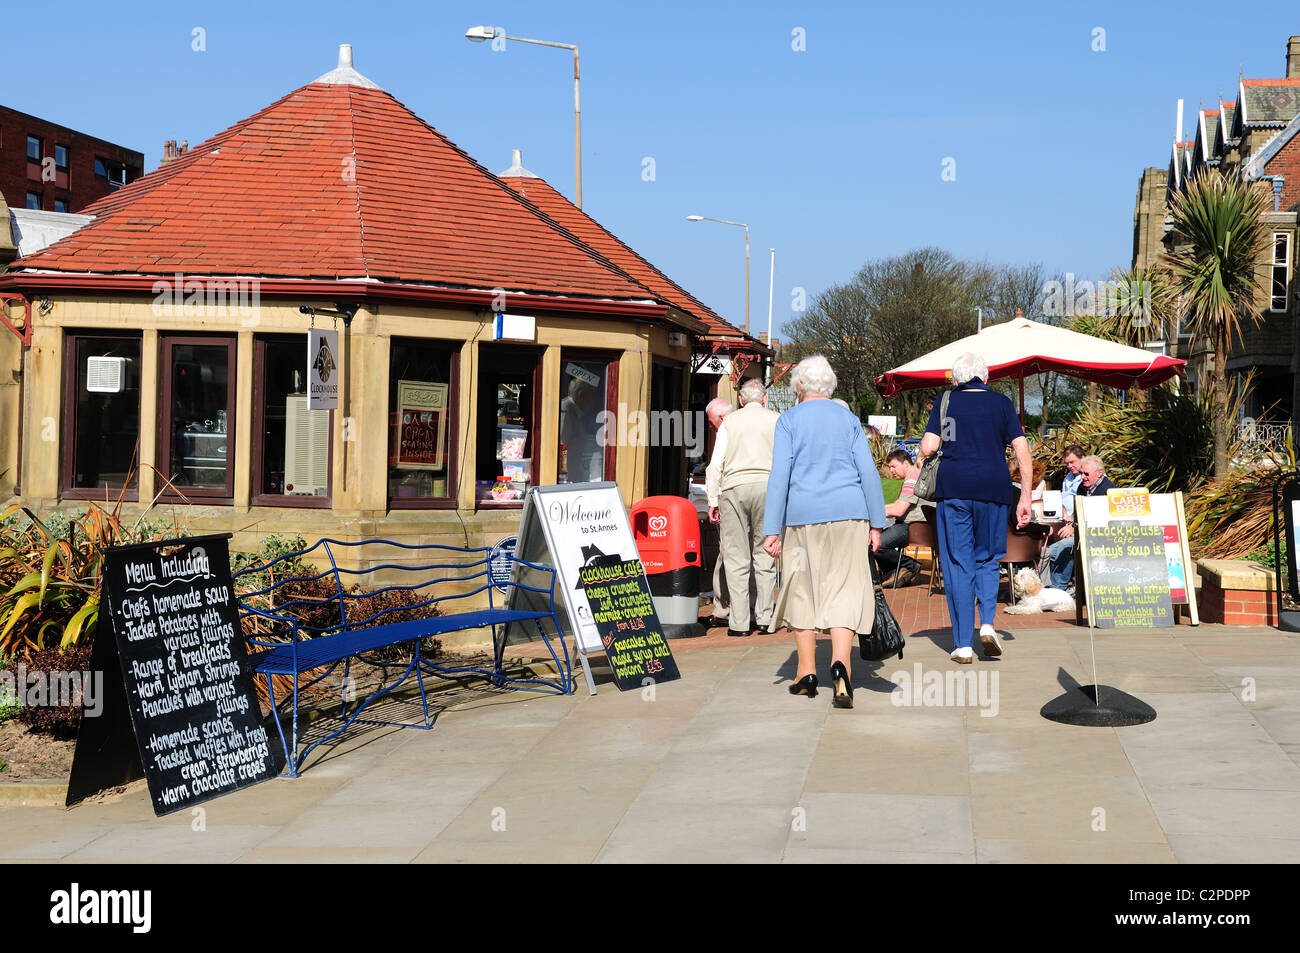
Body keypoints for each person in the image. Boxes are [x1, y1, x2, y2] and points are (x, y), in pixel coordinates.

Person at [762, 355, 885, 709]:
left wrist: (772, 529)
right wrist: (877, 523)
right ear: (829, 386)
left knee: (801, 587)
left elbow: (779, 477)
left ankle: (805, 673)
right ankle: (841, 666)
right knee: (845, 587)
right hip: (850, 515)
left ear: (799, 386)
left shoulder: (788, 421)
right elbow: (868, 472)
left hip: (802, 517)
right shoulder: (848, 419)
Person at [917, 352, 1033, 664]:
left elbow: (929, 445)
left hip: (954, 489)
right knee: (988, 558)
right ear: (987, 377)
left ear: (956, 379)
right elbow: (1021, 447)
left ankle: (963, 643)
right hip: (995, 490)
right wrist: (1025, 496)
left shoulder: (946, 401)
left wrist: (921, 454)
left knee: (958, 562)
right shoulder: (1001, 404)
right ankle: (988, 625)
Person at [706, 379, 780, 637]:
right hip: (768, 488)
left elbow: (715, 464)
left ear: (740, 400)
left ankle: (738, 623)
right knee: (765, 553)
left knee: (736, 557)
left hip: (734, 488)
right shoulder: (776, 419)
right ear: (764, 399)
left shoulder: (730, 422)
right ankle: (765, 617)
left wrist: (713, 500)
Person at [1048, 454, 1116, 593]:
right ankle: (1068, 586)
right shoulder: (1082, 487)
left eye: (1086, 474)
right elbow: (1077, 512)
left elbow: (1103, 521)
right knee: (1049, 551)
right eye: (1081, 473)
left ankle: (1058, 591)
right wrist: (1071, 524)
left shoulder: (1109, 491)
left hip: (1100, 537)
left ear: (1099, 473)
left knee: (1066, 547)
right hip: (1082, 532)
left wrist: (1076, 529)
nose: (1083, 477)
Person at [875, 449, 925, 586]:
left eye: (893, 466)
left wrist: (873, 512)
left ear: (905, 463)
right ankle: (894, 573)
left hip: (915, 527)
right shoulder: (912, 475)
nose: (891, 470)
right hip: (911, 524)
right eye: (889, 467)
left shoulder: (913, 478)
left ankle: (909, 566)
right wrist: (875, 509)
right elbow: (898, 504)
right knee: (875, 540)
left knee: (876, 544)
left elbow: (898, 510)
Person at [1046, 445, 1086, 590]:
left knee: (1065, 546)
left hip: (1078, 525)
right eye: (1067, 463)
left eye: (1072, 462)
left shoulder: (1088, 479)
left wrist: (1073, 524)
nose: (1069, 466)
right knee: (1045, 548)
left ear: (1083, 459)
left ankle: (1059, 588)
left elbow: (1086, 506)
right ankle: (1048, 586)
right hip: (1064, 522)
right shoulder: (1069, 477)